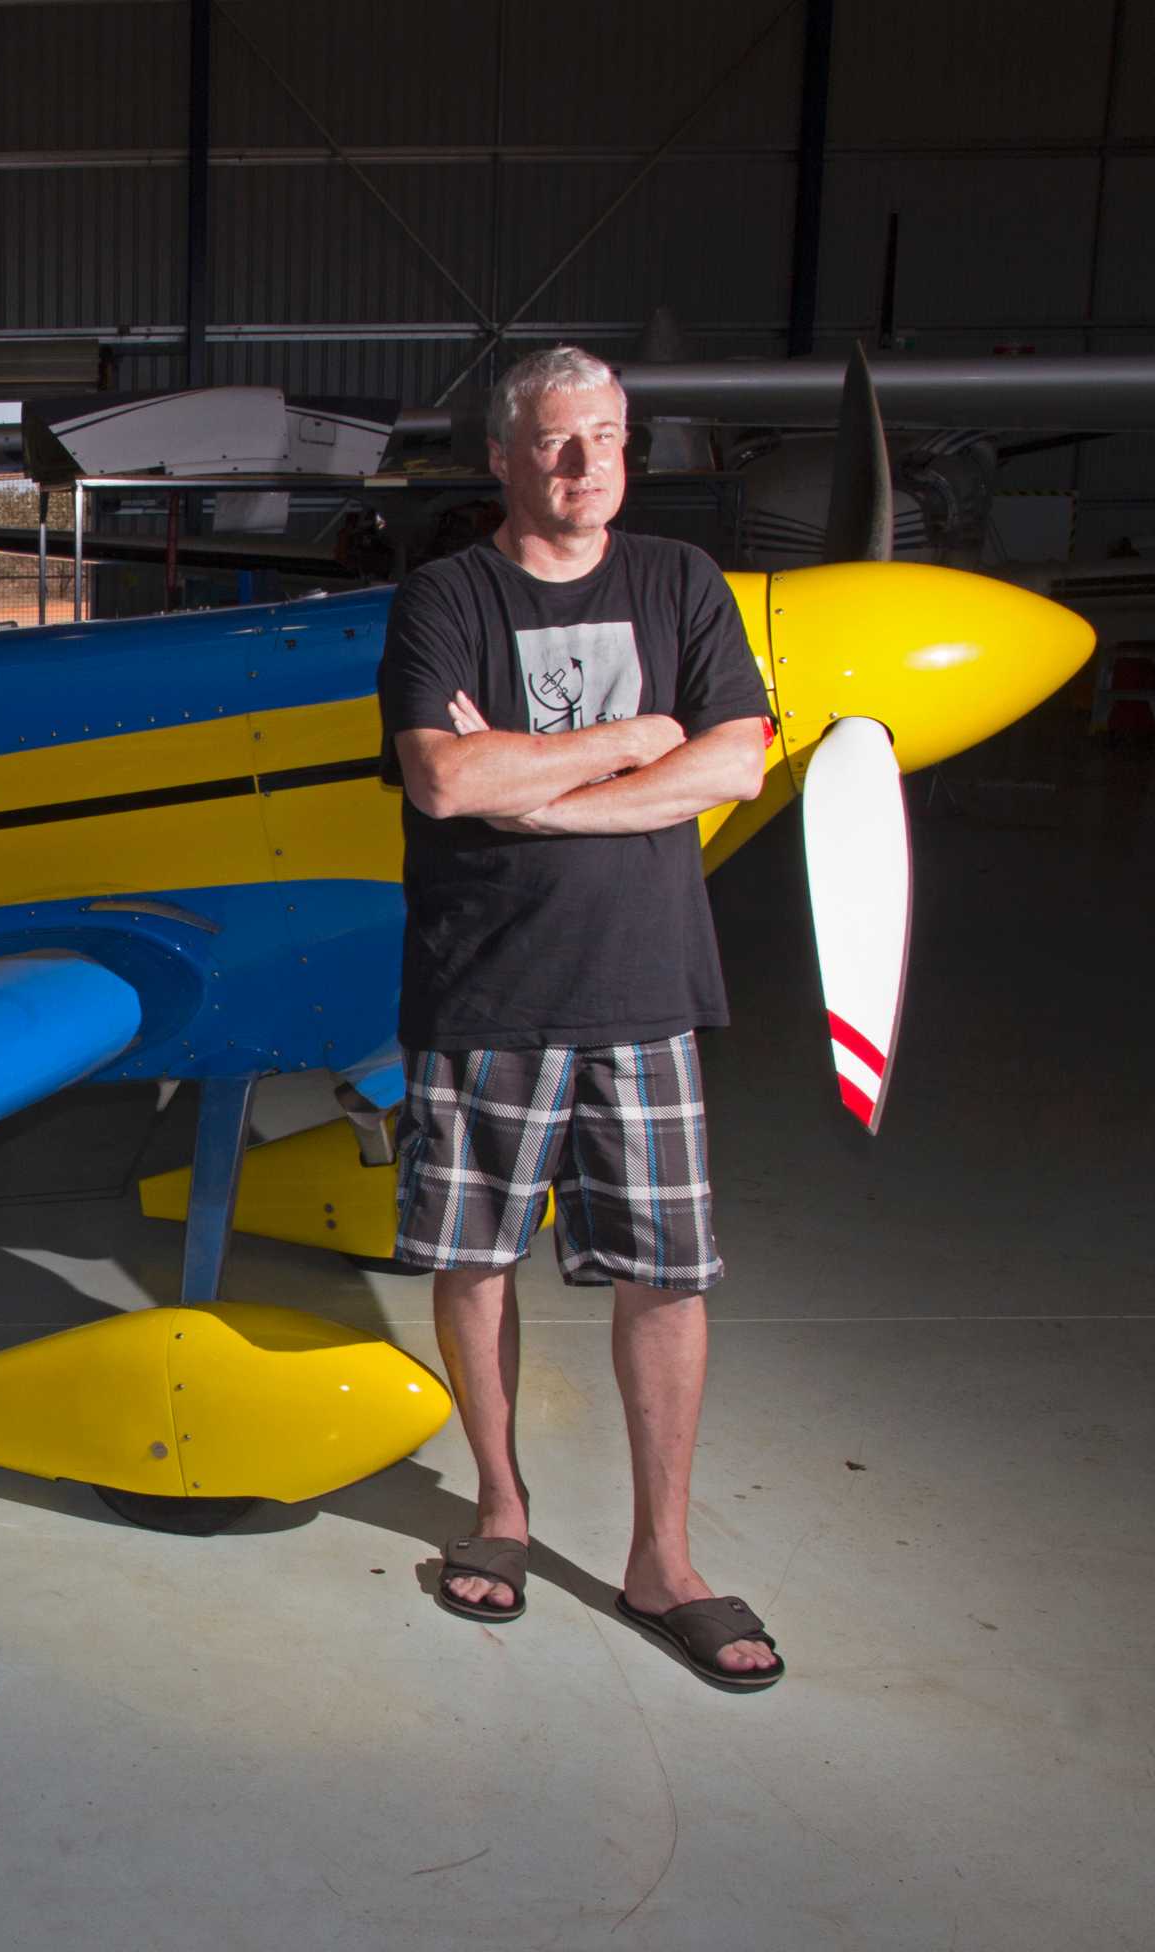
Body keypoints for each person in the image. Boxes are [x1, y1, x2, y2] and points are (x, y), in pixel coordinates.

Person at [374, 345, 786, 1690]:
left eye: (604, 437)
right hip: (488, 983)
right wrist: (628, 741)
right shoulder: (446, 595)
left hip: (645, 985)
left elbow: (735, 756)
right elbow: (442, 778)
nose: (583, 463)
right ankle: (500, 1504)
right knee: (477, 1255)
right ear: (504, 456)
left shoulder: (680, 583)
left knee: (672, 1273)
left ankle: (664, 1556)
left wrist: (538, 792)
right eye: (555, 441)